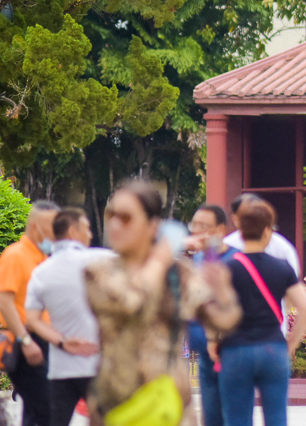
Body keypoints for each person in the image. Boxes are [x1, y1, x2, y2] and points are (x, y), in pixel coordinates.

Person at [84, 182, 241, 426]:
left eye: (125, 218)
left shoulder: (177, 273)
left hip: (169, 407)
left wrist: (223, 293)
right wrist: (160, 258)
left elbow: (224, 321)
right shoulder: (98, 272)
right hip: (115, 405)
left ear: (152, 226)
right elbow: (129, 302)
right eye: (111, 215)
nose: (114, 224)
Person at [215, 198, 306, 426]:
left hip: (236, 349)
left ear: (240, 230)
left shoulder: (228, 267)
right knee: (277, 417)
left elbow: (215, 308)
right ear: (268, 231)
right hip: (273, 348)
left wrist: (214, 340)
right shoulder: (281, 267)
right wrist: (292, 342)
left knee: (237, 419)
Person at [24, 208, 115, 426]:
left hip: (61, 369)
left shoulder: (41, 272)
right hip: (96, 364)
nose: (90, 235)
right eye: (87, 228)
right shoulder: (100, 259)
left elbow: (32, 319)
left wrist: (63, 342)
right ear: (73, 231)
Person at [0, 199, 59, 426]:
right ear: (35, 228)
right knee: (47, 409)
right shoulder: (15, 256)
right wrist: (25, 340)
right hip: (24, 342)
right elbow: (5, 302)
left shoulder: (43, 260)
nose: (57, 236)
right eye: (53, 229)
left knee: (35, 414)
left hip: (41, 341)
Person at [185, 203, 239, 426]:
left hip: (231, 349)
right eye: (194, 224)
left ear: (220, 230)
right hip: (204, 351)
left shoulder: (236, 260)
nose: (197, 230)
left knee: (233, 415)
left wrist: (214, 337)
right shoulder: (199, 258)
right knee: (210, 415)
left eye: (204, 226)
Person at [224, 193, 301, 334]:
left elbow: (290, 294)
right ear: (235, 218)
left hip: (265, 332)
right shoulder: (227, 245)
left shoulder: (283, 248)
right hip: (241, 334)